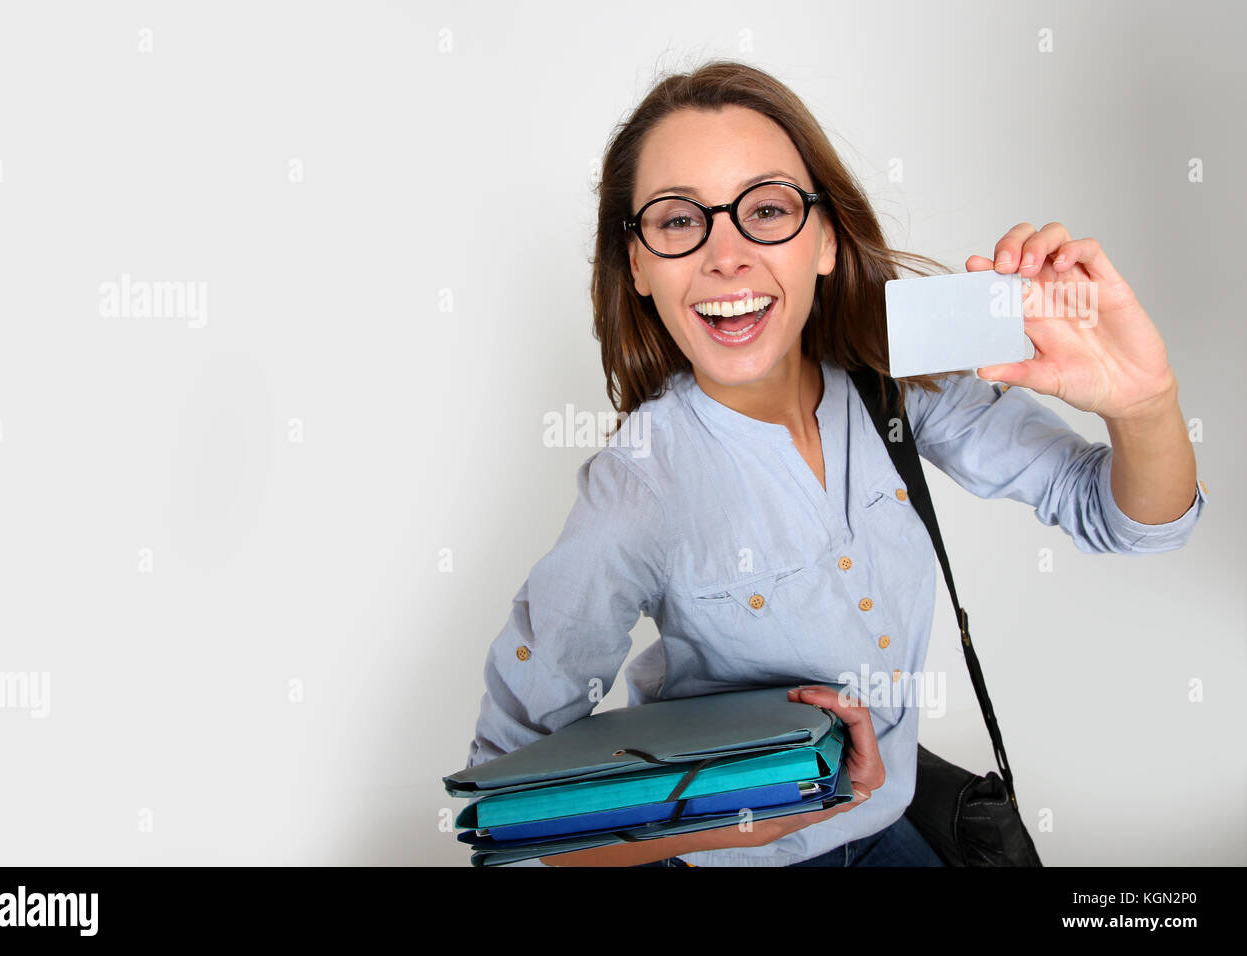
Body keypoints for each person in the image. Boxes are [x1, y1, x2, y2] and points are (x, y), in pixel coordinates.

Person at [457, 60, 1208, 867]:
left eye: (768, 210)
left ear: (823, 239)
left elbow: (1129, 524)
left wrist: (1145, 403)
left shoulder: (899, 385)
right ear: (637, 263)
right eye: (679, 222)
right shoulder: (639, 483)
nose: (726, 255)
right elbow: (511, 808)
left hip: (895, 831)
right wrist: (772, 812)